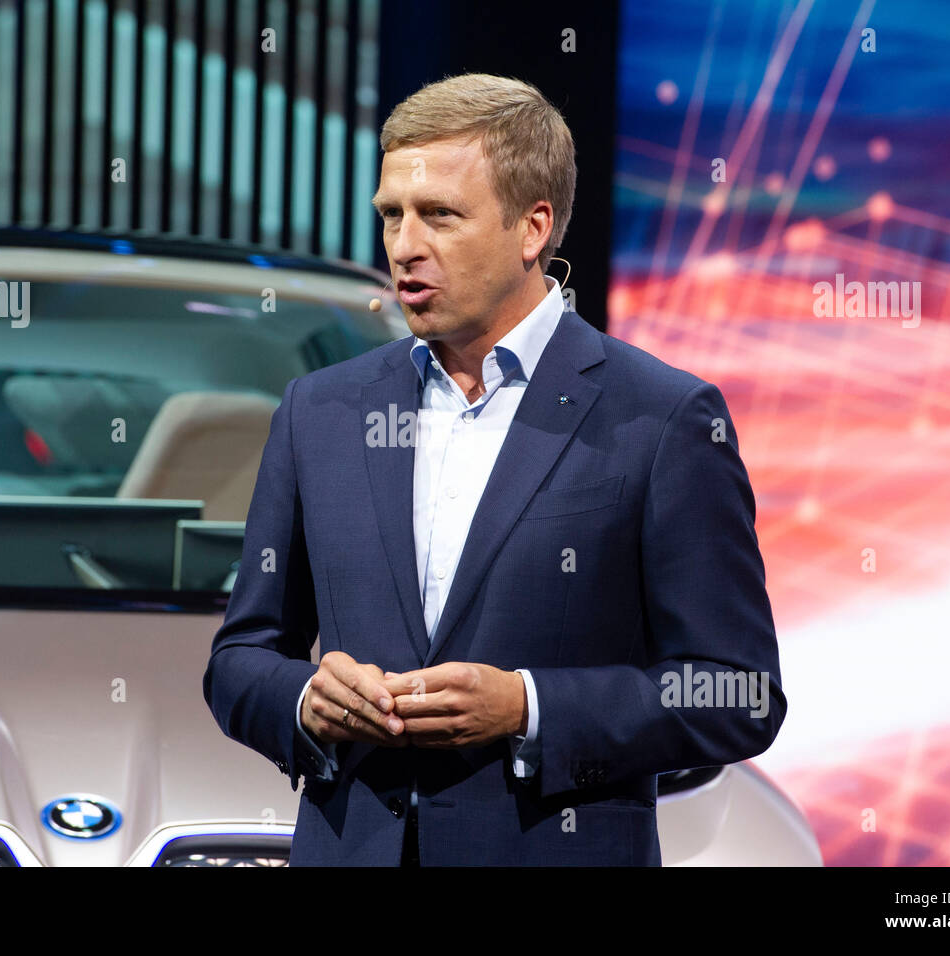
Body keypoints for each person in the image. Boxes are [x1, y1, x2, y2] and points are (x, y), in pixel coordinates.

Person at [203, 72, 785, 866]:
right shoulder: (320, 412)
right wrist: (306, 699)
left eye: (440, 214)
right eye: (391, 216)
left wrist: (527, 706)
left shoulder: (662, 420)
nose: (405, 245)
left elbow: (737, 693)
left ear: (531, 227)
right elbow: (240, 660)